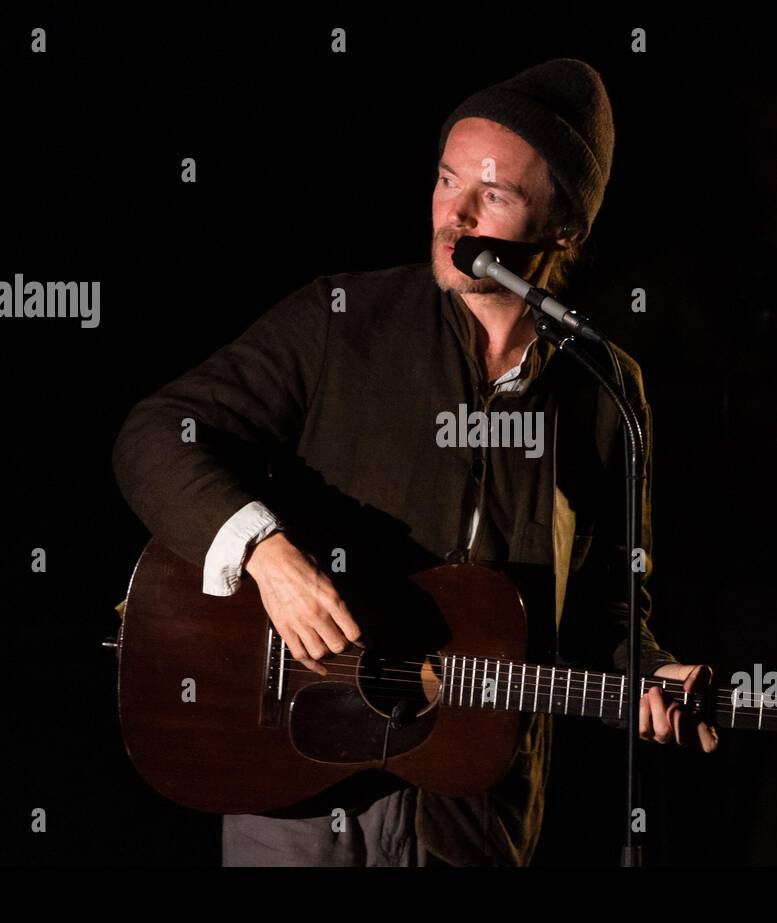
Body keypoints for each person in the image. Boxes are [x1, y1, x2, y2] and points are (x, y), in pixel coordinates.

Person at [112, 57, 717, 867]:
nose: (454, 215)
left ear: (565, 226)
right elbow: (157, 432)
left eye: (493, 195)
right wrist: (265, 552)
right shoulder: (347, 321)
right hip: (292, 774)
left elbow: (608, 608)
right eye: (445, 179)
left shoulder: (604, 390)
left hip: (472, 807)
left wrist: (649, 671)